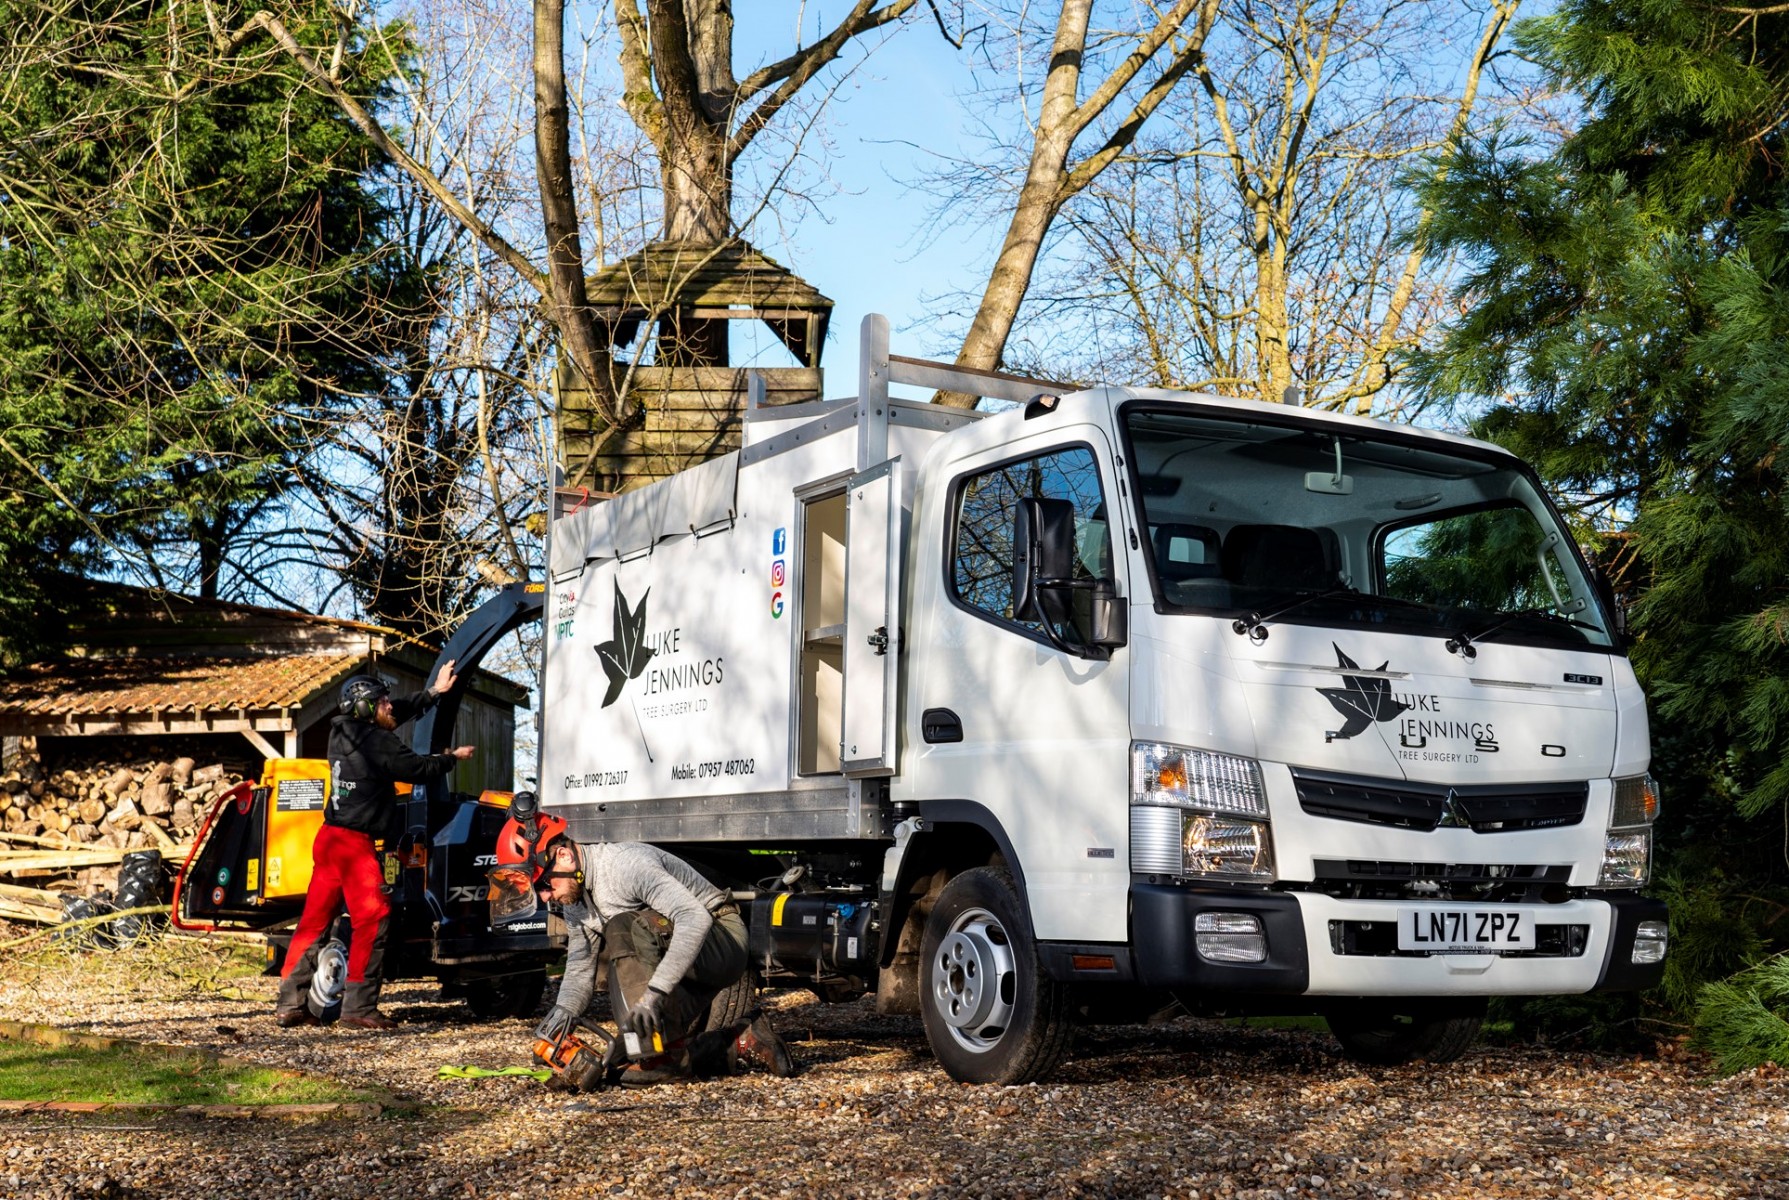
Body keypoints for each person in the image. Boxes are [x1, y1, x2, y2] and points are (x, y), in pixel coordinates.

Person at [274, 663, 474, 1031]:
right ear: (366, 708)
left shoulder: (343, 732)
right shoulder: (374, 741)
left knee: (314, 921)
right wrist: (451, 759)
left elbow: (393, 716)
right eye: (382, 703)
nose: (389, 707)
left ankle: (290, 1003)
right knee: (374, 916)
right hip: (352, 845)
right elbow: (415, 768)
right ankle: (359, 1008)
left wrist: (432, 693)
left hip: (329, 839)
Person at [514, 820, 795, 1081]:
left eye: (544, 883)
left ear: (564, 855)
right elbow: (579, 965)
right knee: (616, 1067)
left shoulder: (625, 866)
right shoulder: (574, 901)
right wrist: (563, 1015)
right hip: (675, 964)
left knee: (622, 926)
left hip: (722, 942)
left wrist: (654, 995)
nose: (545, 897)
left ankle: (659, 1055)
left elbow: (694, 918)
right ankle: (737, 1040)